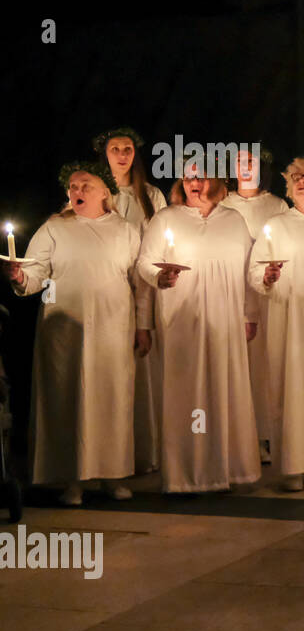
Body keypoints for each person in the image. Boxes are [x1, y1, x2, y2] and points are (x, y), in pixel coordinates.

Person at [6, 163, 141, 505]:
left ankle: (112, 475)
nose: (77, 191)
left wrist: (145, 324)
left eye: (86, 185)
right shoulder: (55, 227)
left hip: (112, 325)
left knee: (111, 398)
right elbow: (36, 272)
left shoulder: (124, 230)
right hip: (63, 325)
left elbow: (139, 279)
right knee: (68, 398)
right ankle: (71, 479)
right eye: (73, 186)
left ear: (103, 192)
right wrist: (21, 278)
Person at [137, 166, 261, 493]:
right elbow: (145, 262)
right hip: (182, 317)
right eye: (189, 177)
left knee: (225, 387)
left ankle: (227, 469)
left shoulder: (233, 220)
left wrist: (250, 314)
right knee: (187, 393)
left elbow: (249, 269)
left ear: (217, 182)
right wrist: (159, 277)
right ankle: (185, 475)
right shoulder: (166, 218)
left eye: (202, 176)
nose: (195, 182)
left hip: (226, 319)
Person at [248, 156, 304, 492]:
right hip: (288, 320)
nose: (300, 182)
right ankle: (292, 466)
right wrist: (268, 277)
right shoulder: (277, 225)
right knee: (290, 388)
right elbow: (256, 270)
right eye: (295, 177)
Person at [94, 126, 168, 474]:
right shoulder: (94, 192)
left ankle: (142, 453)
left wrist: (145, 318)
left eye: (128, 148)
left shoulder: (150, 195)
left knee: (141, 372)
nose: (122, 154)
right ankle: (104, 455)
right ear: (104, 154)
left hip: (142, 287)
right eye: (115, 149)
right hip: (104, 291)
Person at [221, 145, 289, 465]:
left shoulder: (276, 206)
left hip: (265, 294)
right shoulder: (223, 204)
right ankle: (236, 437)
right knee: (236, 367)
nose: (245, 167)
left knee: (264, 366)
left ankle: (267, 434)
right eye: (239, 162)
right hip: (229, 292)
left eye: (250, 162)